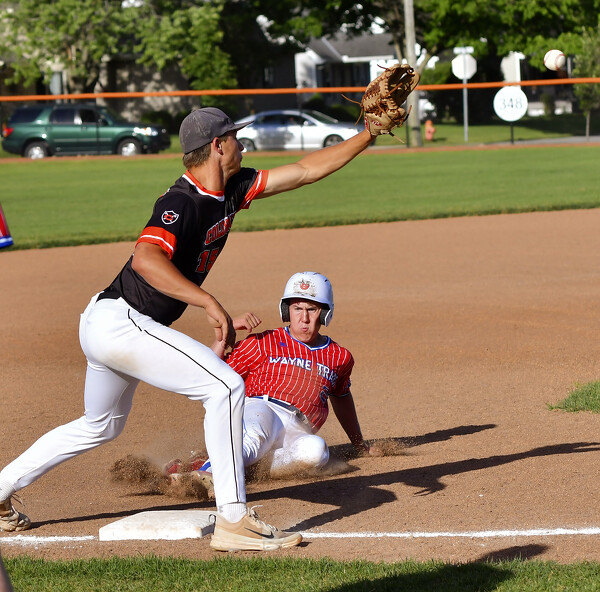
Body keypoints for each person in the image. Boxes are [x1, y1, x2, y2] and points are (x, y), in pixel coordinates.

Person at [0, 107, 377, 552]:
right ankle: (234, 520)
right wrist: (207, 300)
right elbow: (145, 258)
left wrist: (368, 133)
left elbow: (304, 171)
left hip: (114, 323)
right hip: (122, 321)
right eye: (235, 136)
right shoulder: (182, 201)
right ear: (217, 146)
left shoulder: (233, 188)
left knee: (99, 426)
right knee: (227, 387)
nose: (242, 142)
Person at [165, 271, 381, 486]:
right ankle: (209, 473)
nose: (304, 318)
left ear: (325, 313)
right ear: (286, 310)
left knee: (316, 451)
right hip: (261, 408)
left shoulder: (339, 357)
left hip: (300, 429)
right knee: (257, 431)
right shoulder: (261, 342)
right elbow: (207, 374)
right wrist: (223, 337)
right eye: (297, 308)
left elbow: (342, 397)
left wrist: (359, 444)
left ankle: (222, 466)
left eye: (311, 309)